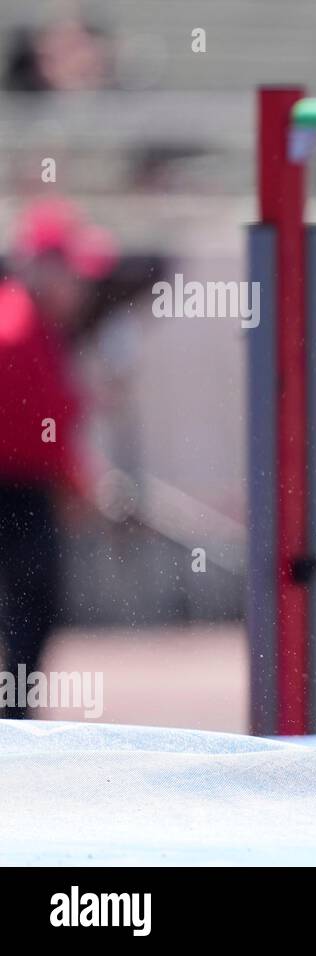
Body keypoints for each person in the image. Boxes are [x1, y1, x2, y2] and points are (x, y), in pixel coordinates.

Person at [0, 198, 115, 719]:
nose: (81, 288)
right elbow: (38, 433)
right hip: (16, 496)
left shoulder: (37, 329)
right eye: (73, 273)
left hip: (27, 493)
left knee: (30, 618)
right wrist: (78, 479)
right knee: (28, 616)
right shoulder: (18, 331)